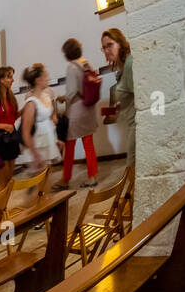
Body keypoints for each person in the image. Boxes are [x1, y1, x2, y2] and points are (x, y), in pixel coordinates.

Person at [56, 37, 99, 189]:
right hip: (89, 107)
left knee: (69, 145)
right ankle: (92, 177)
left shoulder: (71, 67)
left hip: (77, 110)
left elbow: (72, 91)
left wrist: (62, 98)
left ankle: (65, 179)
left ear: (67, 53)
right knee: (88, 144)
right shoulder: (85, 63)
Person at [102, 27, 135, 169]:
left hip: (137, 127)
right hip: (132, 126)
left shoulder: (129, 65)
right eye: (104, 47)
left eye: (110, 45)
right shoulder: (121, 69)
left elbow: (144, 97)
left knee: (131, 168)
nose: (106, 50)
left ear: (120, 43)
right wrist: (121, 105)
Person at [16, 64, 59, 173]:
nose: (48, 78)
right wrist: (35, 154)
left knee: (46, 178)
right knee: (38, 182)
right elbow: (25, 132)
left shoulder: (46, 96)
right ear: (38, 80)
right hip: (37, 147)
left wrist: (55, 140)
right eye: (45, 76)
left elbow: (48, 122)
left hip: (47, 142)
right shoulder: (31, 103)